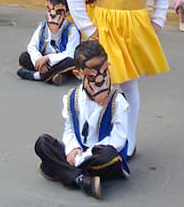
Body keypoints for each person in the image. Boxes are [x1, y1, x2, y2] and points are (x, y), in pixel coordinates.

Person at [66, 0, 169, 159]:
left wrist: (157, 20)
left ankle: (128, 138)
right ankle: (94, 136)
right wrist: (90, 28)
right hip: (107, 30)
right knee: (104, 82)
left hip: (134, 30)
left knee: (129, 85)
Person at [33, 41, 130, 200]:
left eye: (104, 72)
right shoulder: (71, 98)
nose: (100, 80)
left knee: (108, 154)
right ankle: (83, 180)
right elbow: (69, 129)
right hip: (78, 152)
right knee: (42, 143)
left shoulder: (118, 101)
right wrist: (72, 149)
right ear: (78, 74)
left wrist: (83, 156)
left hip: (98, 157)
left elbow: (118, 139)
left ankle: (61, 170)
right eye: (91, 76)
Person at [18, 0, 80, 83]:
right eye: (49, 10)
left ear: (67, 13)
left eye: (59, 11)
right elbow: (32, 46)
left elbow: (70, 53)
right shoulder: (42, 27)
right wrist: (39, 60)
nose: (53, 15)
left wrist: (48, 58)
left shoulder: (72, 30)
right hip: (44, 61)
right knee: (24, 57)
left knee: (71, 62)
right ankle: (54, 75)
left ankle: (38, 76)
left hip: (59, 61)